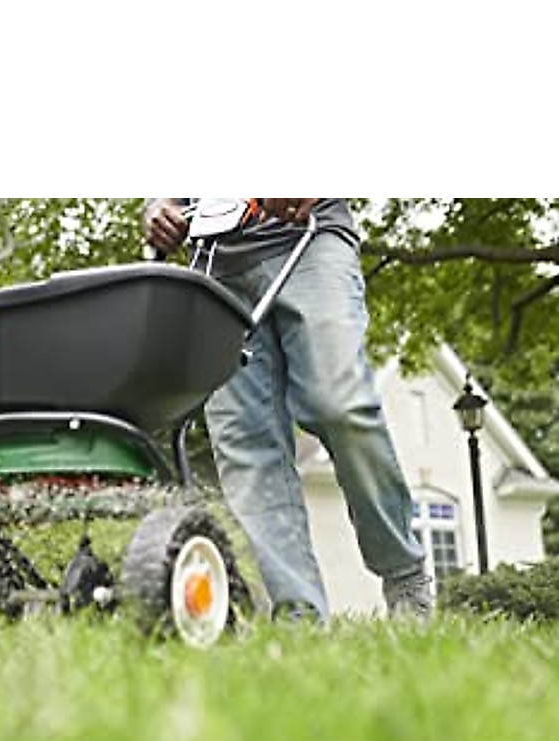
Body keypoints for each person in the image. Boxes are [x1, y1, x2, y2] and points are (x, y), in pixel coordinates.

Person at [143, 197, 433, 621]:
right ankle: (297, 612)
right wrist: (159, 205)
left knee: (338, 404)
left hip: (310, 236)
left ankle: (404, 574)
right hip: (215, 267)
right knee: (245, 442)